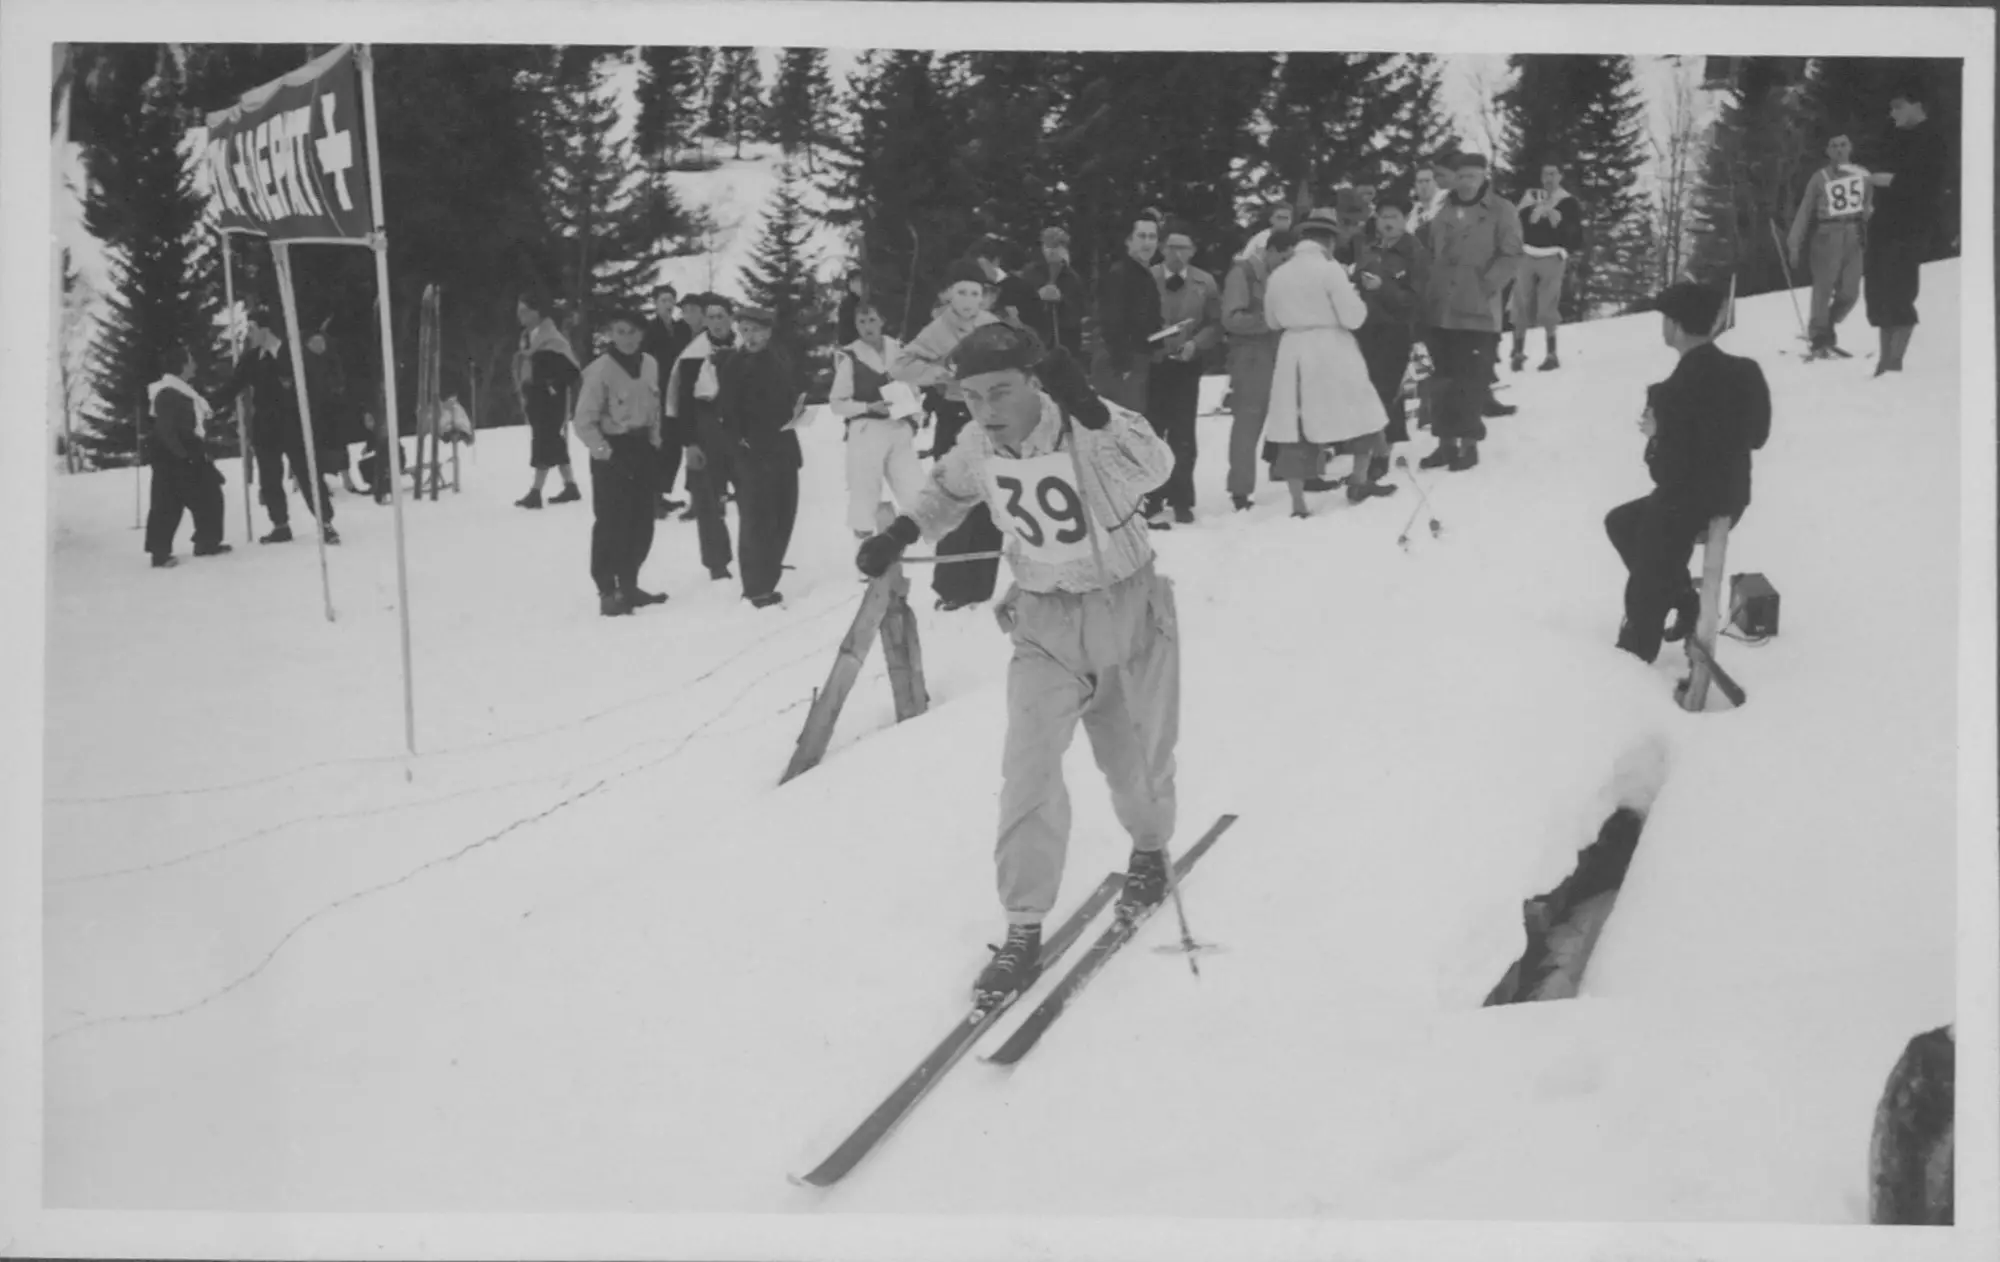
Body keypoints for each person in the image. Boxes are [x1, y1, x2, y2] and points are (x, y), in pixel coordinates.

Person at [852, 325, 1179, 1007]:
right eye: (972, 396)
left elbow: (1156, 468)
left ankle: (1149, 849)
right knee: (1027, 770)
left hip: (1127, 609)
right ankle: (1023, 925)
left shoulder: (1086, 426)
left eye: (1000, 391)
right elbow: (946, 492)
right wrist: (897, 535)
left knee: (1135, 760)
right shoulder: (976, 442)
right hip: (1045, 623)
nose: (986, 409)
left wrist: (1087, 402)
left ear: (1034, 382)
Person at [1604, 281, 1771, 664]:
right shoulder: (1746, 371)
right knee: (1622, 521)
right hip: (1731, 493)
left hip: (1684, 500)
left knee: (1653, 546)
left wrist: (1656, 435)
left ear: (1676, 327)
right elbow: (1758, 436)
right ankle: (1685, 600)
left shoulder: (1667, 393)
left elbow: (1666, 473)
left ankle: (1637, 647)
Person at [1263, 209, 1396, 516]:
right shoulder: (1330, 269)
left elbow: (1271, 321)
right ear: (1330, 242)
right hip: (1331, 347)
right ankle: (1359, 480)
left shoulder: (1279, 274)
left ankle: (1298, 502)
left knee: (1295, 425)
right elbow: (1354, 317)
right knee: (1360, 411)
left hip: (1293, 350)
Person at [893, 259, 1005, 610]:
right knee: (954, 497)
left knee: (991, 498)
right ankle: (951, 587)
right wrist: (940, 373)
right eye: (962, 292)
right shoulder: (938, 329)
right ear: (949, 294)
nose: (969, 300)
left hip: (990, 419)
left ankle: (981, 585)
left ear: (984, 297)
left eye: (975, 293)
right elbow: (900, 365)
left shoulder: (992, 324)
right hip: (955, 420)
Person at [1413, 152, 1522, 472]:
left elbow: (1511, 254)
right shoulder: (1442, 212)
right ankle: (1445, 445)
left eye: (1472, 176)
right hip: (1441, 309)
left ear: (1483, 177)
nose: (1466, 182)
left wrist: (1487, 285)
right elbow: (1427, 252)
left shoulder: (1501, 210)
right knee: (1441, 379)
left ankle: (1469, 445)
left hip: (1478, 312)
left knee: (1470, 379)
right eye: (1460, 176)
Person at [710, 305, 805, 609]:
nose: (749, 336)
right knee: (756, 520)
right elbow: (726, 412)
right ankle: (756, 587)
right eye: (745, 330)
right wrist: (740, 446)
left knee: (783, 516)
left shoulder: (779, 358)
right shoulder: (735, 364)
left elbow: (790, 394)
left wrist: (798, 412)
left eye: (755, 330)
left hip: (784, 449)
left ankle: (769, 579)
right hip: (752, 455)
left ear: (768, 332)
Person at [573, 310, 666, 616]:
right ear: (611, 334)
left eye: (634, 332)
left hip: (642, 448)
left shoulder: (650, 364)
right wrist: (605, 452)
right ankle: (607, 589)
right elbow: (583, 421)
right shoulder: (600, 371)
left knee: (641, 522)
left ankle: (629, 583)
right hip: (613, 451)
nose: (628, 338)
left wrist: (655, 442)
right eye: (621, 331)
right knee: (612, 521)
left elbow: (655, 408)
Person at [217, 311, 338, 545]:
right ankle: (280, 524)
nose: (248, 334)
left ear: (265, 330)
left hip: (293, 423)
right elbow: (233, 386)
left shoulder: (294, 354)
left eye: (252, 328)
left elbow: (314, 386)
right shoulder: (251, 359)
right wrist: (206, 405)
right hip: (265, 426)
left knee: (307, 473)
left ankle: (325, 522)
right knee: (269, 477)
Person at [1864, 82, 1951, 376]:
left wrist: (1892, 181)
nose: (1893, 114)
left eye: (1898, 106)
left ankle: (1893, 363)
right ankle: (1884, 359)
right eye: (1891, 108)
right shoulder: (1893, 136)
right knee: (1878, 290)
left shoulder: (1934, 139)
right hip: (1883, 221)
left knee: (1899, 289)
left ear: (1918, 105)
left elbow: (1931, 186)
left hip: (1911, 224)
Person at [1145, 219, 1223, 527]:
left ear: (1192, 252)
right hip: (1153, 365)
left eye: (1184, 247)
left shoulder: (1205, 282)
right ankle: (1150, 497)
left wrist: (1196, 344)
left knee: (1183, 434)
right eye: (1172, 247)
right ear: (1162, 249)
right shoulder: (1147, 278)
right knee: (1152, 432)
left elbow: (1216, 324)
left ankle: (1181, 499)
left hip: (1187, 366)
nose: (1178, 253)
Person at [831, 301, 924, 538]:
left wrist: (913, 420)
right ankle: (866, 552)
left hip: (898, 427)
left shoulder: (899, 350)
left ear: (882, 321)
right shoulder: (850, 356)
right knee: (865, 491)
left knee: (913, 488)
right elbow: (837, 402)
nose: (867, 327)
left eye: (872, 320)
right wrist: (867, 406)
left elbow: (913, 389)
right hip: (867, 430)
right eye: (861, 322)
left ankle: (917, 545)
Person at [1354, 199, 1428, 476]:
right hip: (1366, 327)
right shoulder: (1369, 250)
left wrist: (1383, 288)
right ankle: (1378, 445)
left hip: (1396, 328)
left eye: (1393, 216)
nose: (1387, 222)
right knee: (1370, 390)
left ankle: (1380, 453)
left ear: (1405, 218)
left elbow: (1415, 298)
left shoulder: (1414, 252)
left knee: (1386, 391)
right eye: (1383, 216)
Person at [1221, 227, 1293, 511]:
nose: (1287, 265)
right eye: (1284, 258)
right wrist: (1269, 320)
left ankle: (1289, 472)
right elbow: (1231, 318)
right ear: (1270, 251)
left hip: (1277, 353)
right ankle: (1240, 490)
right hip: (1250, 357)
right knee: (1248, 425)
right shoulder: (1243, 273)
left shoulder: (1279, 276)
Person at [668, 294, 738, 581]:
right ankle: (717, 563)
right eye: (711, 317)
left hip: (741, 430)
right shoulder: (692, 355)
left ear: (731, 318)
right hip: (706, 428)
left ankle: (757, 556)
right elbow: (682, 401)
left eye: (722, 316)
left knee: (754, 497)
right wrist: (690, 443)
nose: (717, 323)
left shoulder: (746, 346)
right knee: (707, 500)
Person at [1785, 133, 1872, 361]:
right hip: (1827, 235)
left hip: (1853, 235)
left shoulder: (1862, 175)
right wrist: (1794, 243)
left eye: (1843, 145)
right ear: (1828, 151)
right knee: (1823, 290)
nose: (1839, 150)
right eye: (1834, 146)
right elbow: (1805, 211)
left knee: (1851, 292)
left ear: (1850, 147)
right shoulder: (1819, 177)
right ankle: (1819, 336)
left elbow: (1867, 206)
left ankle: (1828, 324)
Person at [144, 345, 230, 567]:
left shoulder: (181, 391)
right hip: (173, 454)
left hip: (185, 450)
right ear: (181, 365)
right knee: (168, 504)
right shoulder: (167, 393)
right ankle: (161, 553)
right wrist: (183, 455)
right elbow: (165, 429)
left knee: (208, 495)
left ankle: (207, 542)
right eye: (190, 360)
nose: (194, 364)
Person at [1090, 208, 1165, 413]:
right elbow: (1112, 321)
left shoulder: (1144, 275)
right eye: (1141, 236)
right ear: (1128, 241)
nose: (1147, 243)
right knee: (1123, 426)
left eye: (1152, 237)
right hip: (1119, 363)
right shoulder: (1120, 274)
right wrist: (1123, 363)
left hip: (1136, 360)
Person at [1511, 161, 1584, 372]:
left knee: (1547, 306)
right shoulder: (1531, 198)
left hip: (1552, 256)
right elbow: (1516, 224)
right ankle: (1517, 352)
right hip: (1526, 255)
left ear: (1560, 176)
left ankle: (1551, 353)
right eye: (1545, 174)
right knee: (1521, 304)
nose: (1548, 178)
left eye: (1553, 174)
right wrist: (1527, 210)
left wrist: (1563, 244)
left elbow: (1575, 232)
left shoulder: (1568, 202)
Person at [513, 292, 583, 509]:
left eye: (525, 311)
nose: (521, 316)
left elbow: (571, 369)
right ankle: (570, 485)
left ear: (536, 312)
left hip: (551, 397)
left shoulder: (553, 339)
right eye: (519, 311)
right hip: (535, 395)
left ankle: (536, 491)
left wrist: (554, 384)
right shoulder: (527, 338)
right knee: (552, 439)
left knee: (544, 438)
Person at [642, 284, 697, 517]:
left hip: (678, 392)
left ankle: (662, 493)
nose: (668, 304)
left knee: (673, 445)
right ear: (655, 303)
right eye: (663, 300)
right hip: (657, 392)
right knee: (659, 444)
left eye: (671, 300)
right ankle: (652, 498)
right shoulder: (649, 330)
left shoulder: (681, 329)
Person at [1017, 227, 1087, 353]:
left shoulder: (1072, 278)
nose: (1051, 251)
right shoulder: (1029, 273)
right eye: (1048, 245)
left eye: (1056, 246)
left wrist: (1061, 300)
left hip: (1064, 341)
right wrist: (1038, 297)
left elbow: (1077, 313)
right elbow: (1019, 306)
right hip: (1035, 338)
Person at [972, 236, 1042, 331]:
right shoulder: (975, 286)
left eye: (981, 265)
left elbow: (1033, 323)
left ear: (995, 262)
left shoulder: (1022, 289)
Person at [836, 270, 869, 346]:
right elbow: (845, 331)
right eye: (855, 281)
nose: (859, 284)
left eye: (861, 280)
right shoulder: (847, 305)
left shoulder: (872, 301)